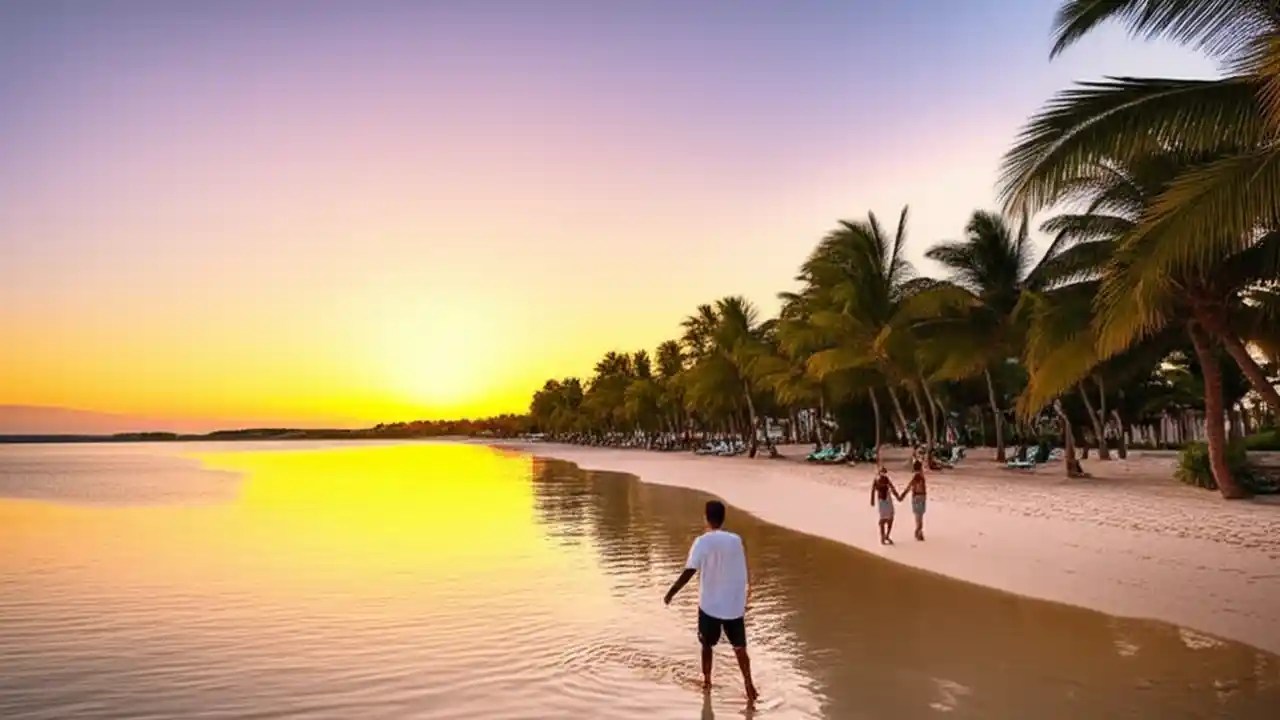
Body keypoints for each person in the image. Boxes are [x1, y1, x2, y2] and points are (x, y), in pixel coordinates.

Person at [664, 500, 758, 703]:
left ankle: (707, 681)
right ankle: (749, 685)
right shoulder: (736, 540)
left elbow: (690, 570)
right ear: (723, 518)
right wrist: (745, 597)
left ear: (705, 518)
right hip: (733, 605)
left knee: (707, 644)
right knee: (740, 648)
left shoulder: (702, 541)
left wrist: (671, 592)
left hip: (710, 605)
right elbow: (743, 570)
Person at [870, 467, 901, 545]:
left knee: (891, 518)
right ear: (879, 472)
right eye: (882, 472)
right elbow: (873, 490)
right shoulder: (876, 480)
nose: (883, 474)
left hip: (888, 498)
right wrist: (872, 500)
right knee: (883, 519)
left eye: (884, 472)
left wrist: (897, 496)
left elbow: (892, 487)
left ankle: (887, 535)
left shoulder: (886, 479)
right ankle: (883, 537)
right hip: (882, 500)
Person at [905, 459, 927, 541]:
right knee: (919, 517)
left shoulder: (917, 476)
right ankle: (918, 532)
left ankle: (918, 532)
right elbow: (914, 486)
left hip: (917, 497)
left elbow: (909, 486)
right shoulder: (918, 476)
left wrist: (902, 496)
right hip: (919, 497)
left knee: (918, 517)